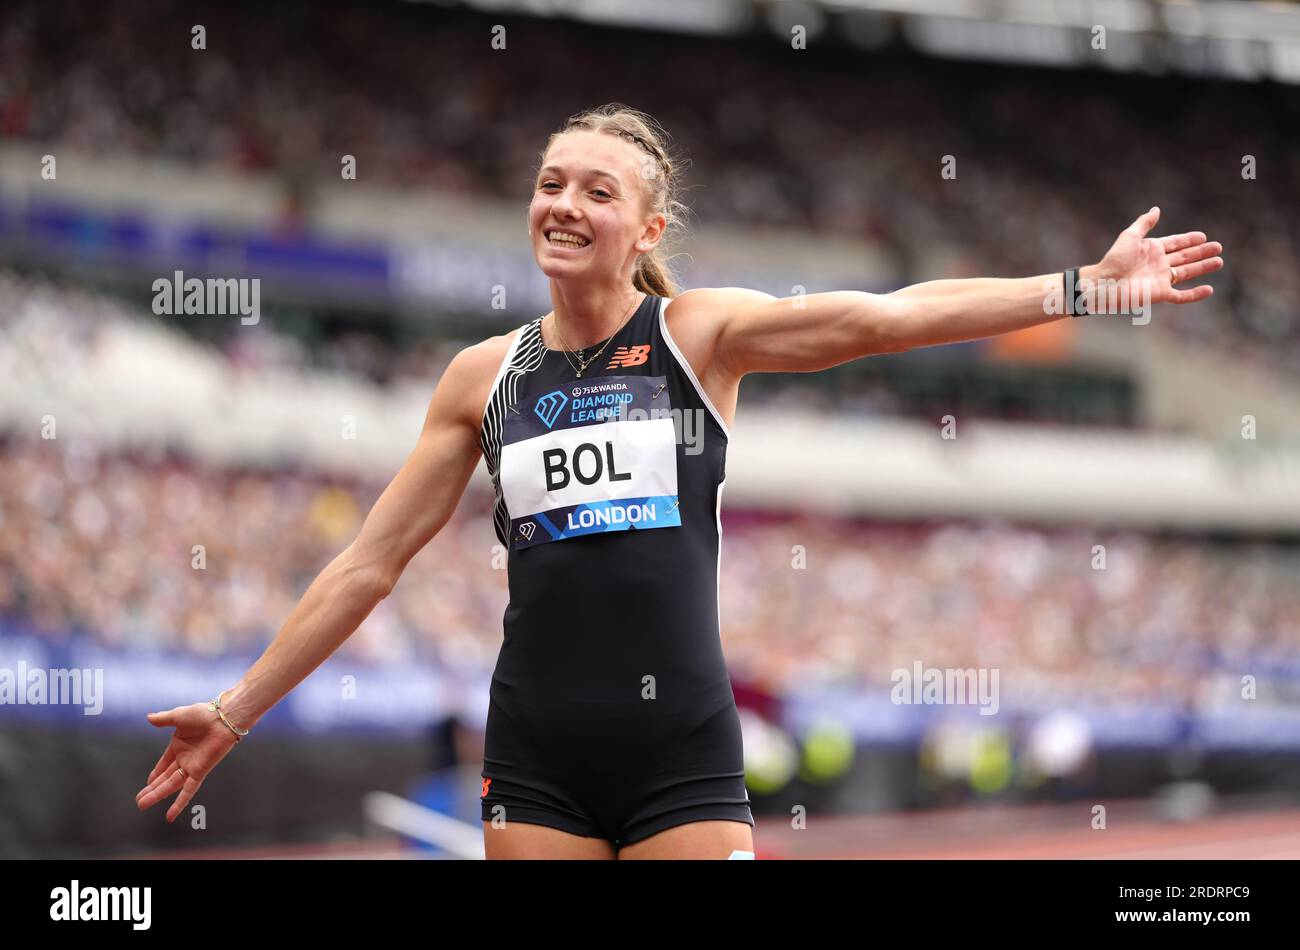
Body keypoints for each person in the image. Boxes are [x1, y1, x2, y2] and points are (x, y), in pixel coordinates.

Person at [136, 103, 1224, 859]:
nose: (563, 203)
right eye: (549, 183)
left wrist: (1083, 288)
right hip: (537, 743)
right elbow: (368, 564)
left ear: (648, 227)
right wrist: (235, 711)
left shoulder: (698, 336)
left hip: (680, 743)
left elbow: (885, 317)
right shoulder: (482, 376)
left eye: (596, 191)